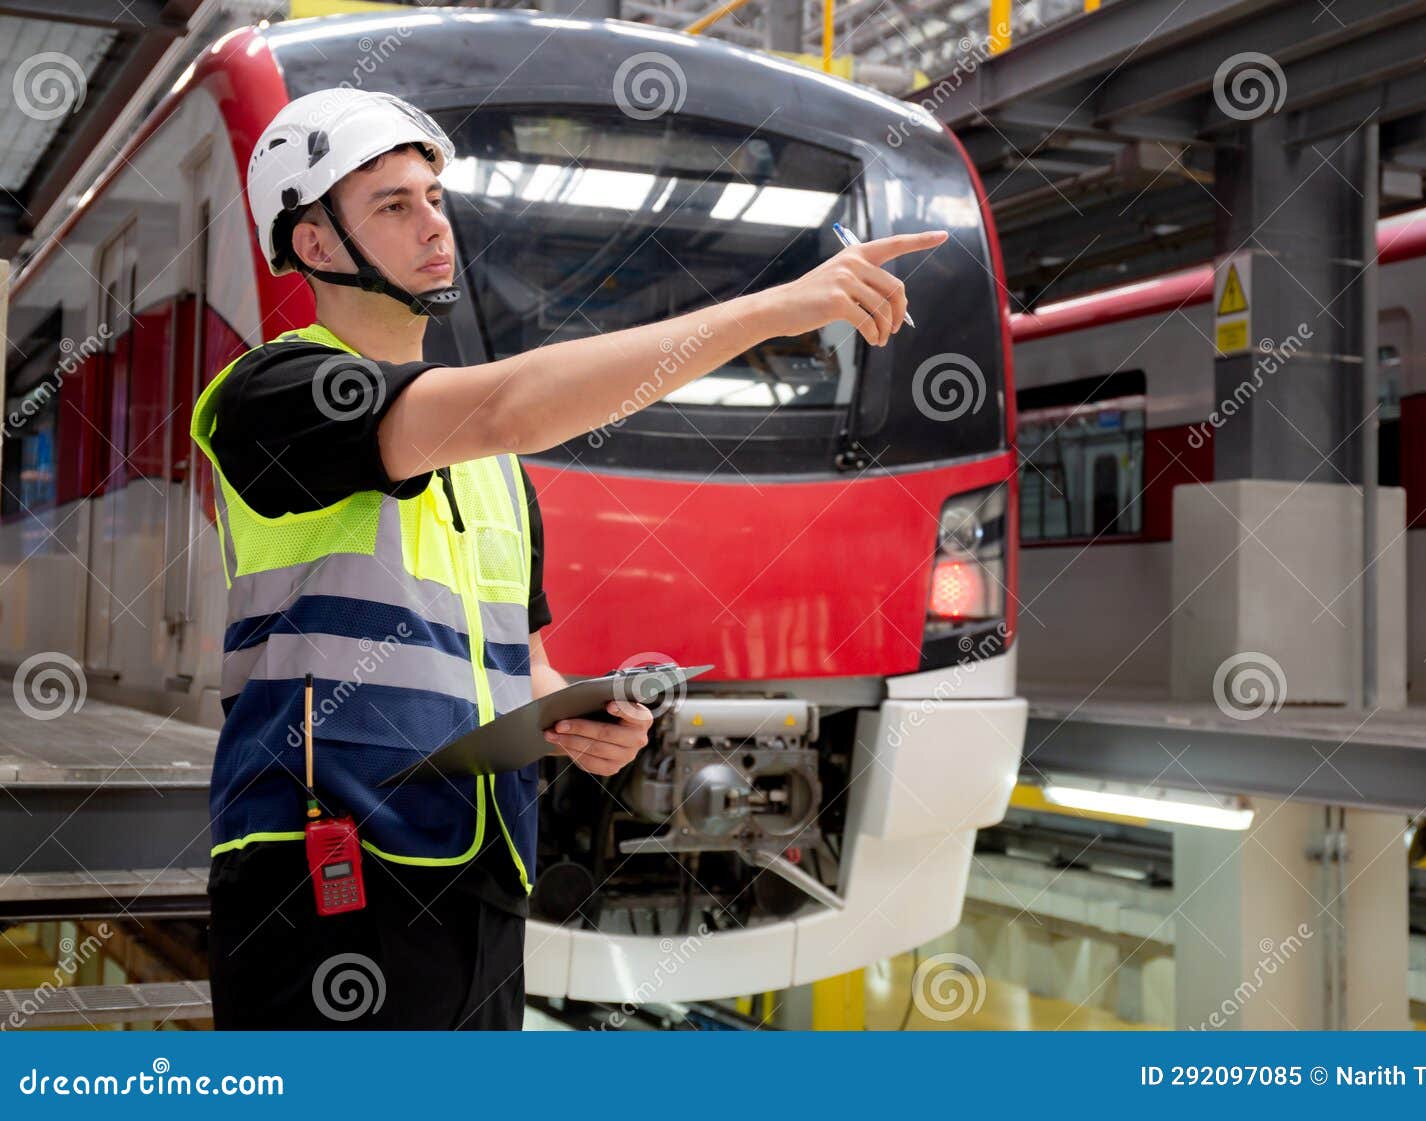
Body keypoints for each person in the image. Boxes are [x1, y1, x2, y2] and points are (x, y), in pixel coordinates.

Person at [196, 87, 946, 1030]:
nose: (433, 223)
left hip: (479, 880)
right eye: (393, 205)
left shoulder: (497, 474)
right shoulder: (272, 393)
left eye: (434, 197)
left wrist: (582, 722)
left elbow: (528, 667)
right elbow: (506, 402)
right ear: (313, 245)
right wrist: (769, 311)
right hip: (322, 878)